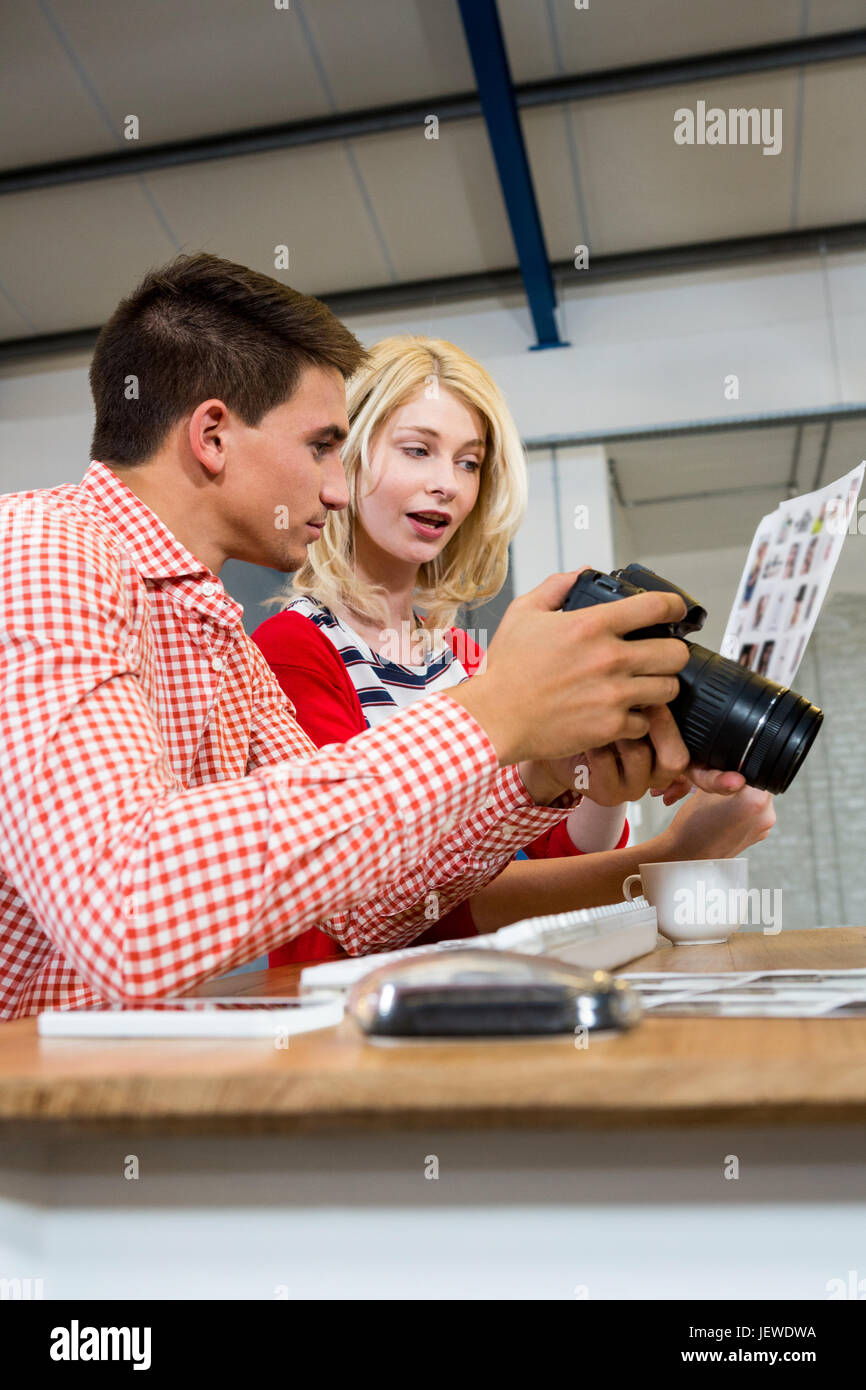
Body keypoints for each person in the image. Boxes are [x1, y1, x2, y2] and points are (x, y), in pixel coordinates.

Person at [0, 254, 702, 1020]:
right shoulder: (43, 549)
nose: (337, 489)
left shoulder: (221, 643)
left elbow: (361, 912)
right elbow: (128, 914)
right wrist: (491, 712)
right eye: (321, 446)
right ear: (212, 435)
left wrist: (535, 771)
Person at [252, 336, 774, 965]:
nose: (447, 484)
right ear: (349, 457)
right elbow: (371, 912)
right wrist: (668, 858)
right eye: (418, 451)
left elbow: (551, 865)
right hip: (355, 1017)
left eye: (469, 463)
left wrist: (598, 774)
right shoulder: (293, 648)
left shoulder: (466, 662)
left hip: (483, 1000)